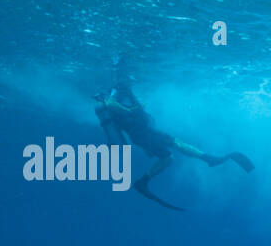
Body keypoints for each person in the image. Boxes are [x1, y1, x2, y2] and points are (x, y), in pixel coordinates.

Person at [94, 75, 253, 210]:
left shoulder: (120, 93)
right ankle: (143, 182)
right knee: (169, 155)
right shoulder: (113, 96)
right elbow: (111, 104)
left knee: (174, 145)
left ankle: (208, 159)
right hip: (141, 134)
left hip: (145, 132)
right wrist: (131, 110)